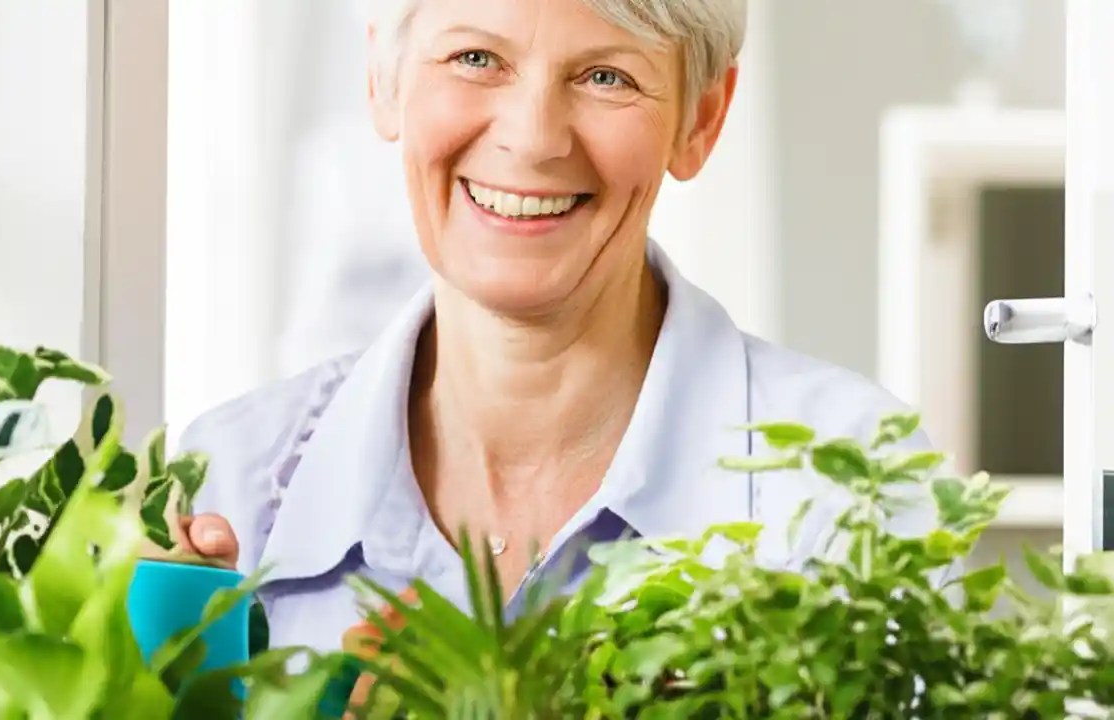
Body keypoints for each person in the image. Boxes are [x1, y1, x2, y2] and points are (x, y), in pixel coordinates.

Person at [172, 0, 936, 661]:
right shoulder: (232, 485)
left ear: (701, 118)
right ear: (384, 78)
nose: (533, 139)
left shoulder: (852, 489)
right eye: (475, 58)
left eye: (607, 77)